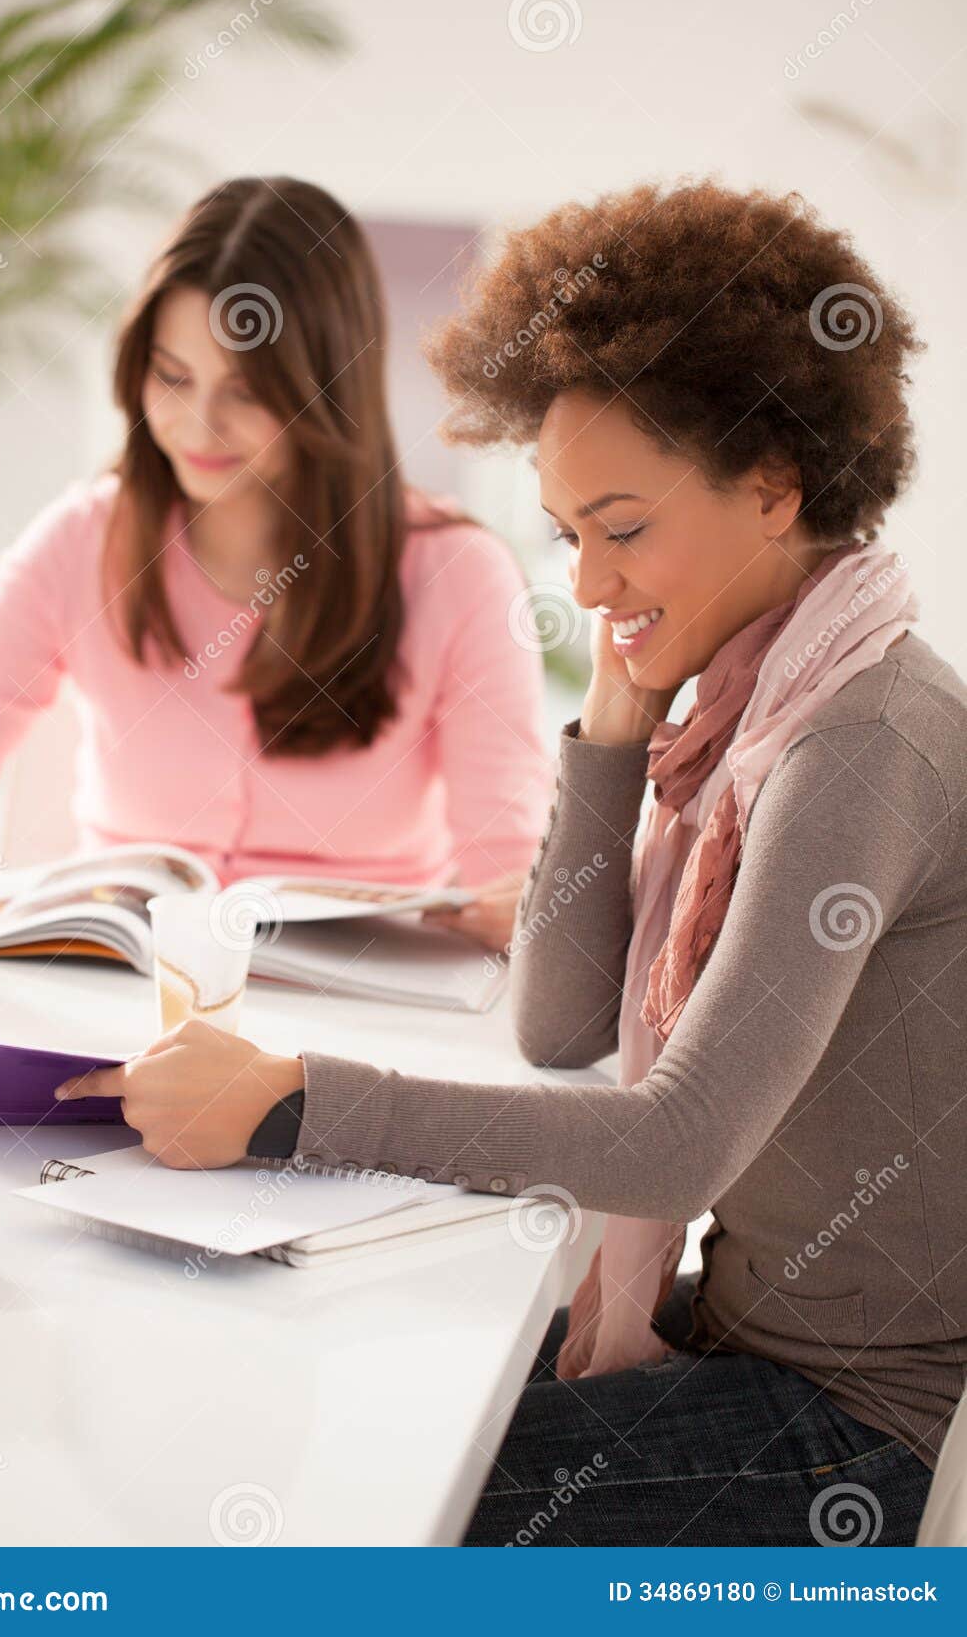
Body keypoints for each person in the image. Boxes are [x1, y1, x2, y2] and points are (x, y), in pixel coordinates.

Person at [55, 178, 967, 1546]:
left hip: (847, 1428)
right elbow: (557, 1021)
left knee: (393, 1502)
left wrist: (292, 1099)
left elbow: (672, 1141)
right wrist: (606, 737)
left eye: (623, 526)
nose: (588, 586)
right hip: (737, 1341)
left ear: (774, 488)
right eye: (565, 535)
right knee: (326, 1401)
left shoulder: (858, 741)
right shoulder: (750, 708)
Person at [0, 176, 550, 943]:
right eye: (172, 377)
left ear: (329, 388)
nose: (197, 424)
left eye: (244, 390)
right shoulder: (82, 539)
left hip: (345, 1019)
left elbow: (508, 876)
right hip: (117, 986)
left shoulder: (457, 573)